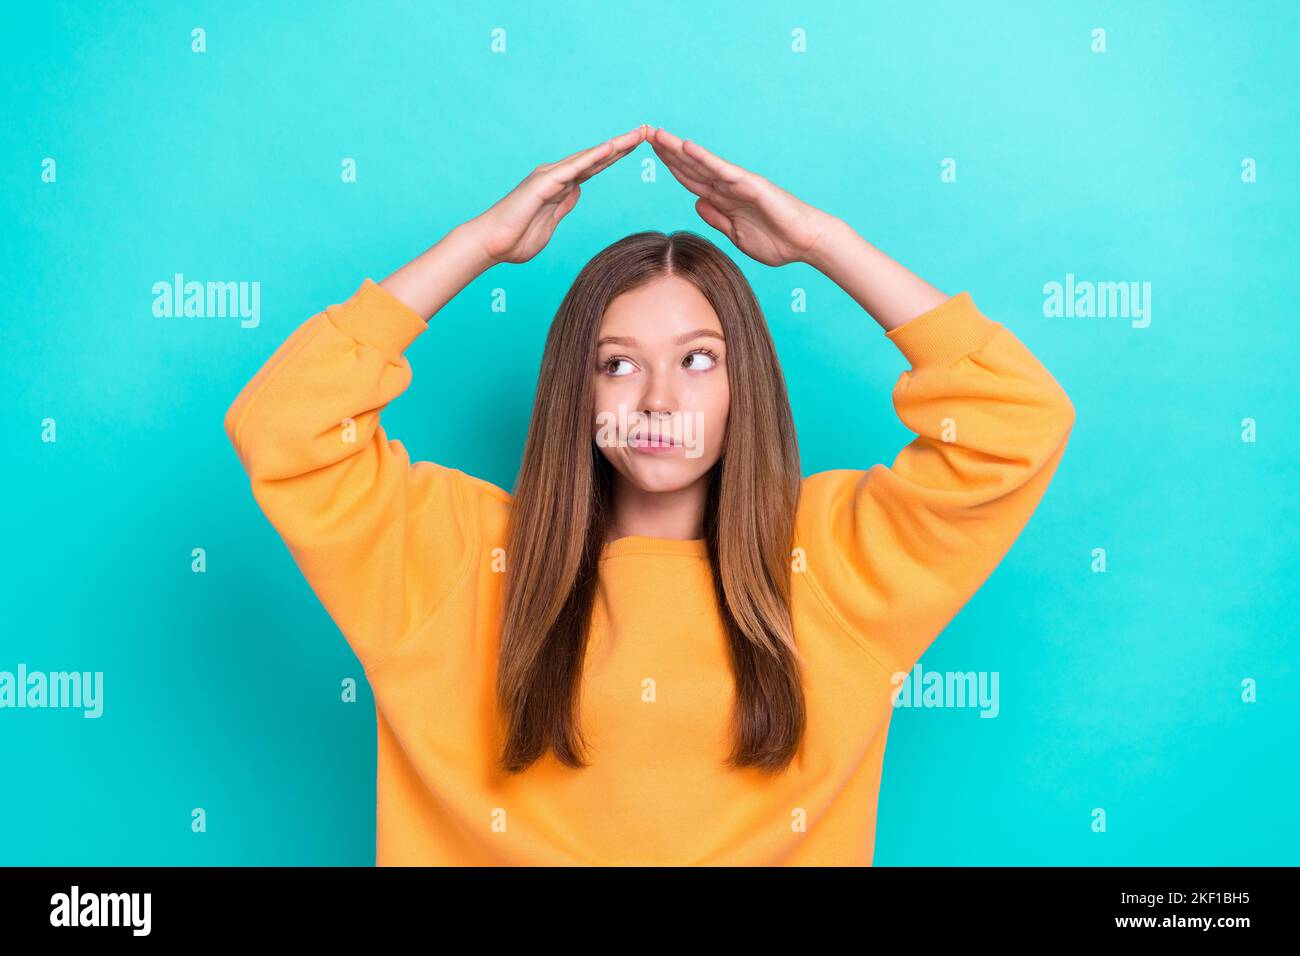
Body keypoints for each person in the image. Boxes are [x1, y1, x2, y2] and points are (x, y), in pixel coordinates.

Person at [224, 123, 1075, 865]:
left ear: (747, 383)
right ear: (577, 391)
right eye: (618, 364)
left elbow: (1016, 423)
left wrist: (822, 241)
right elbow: (285, 427)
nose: (659, 402)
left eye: (698, 359)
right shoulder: (455, 558)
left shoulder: (833, 560)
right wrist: (476, 244)